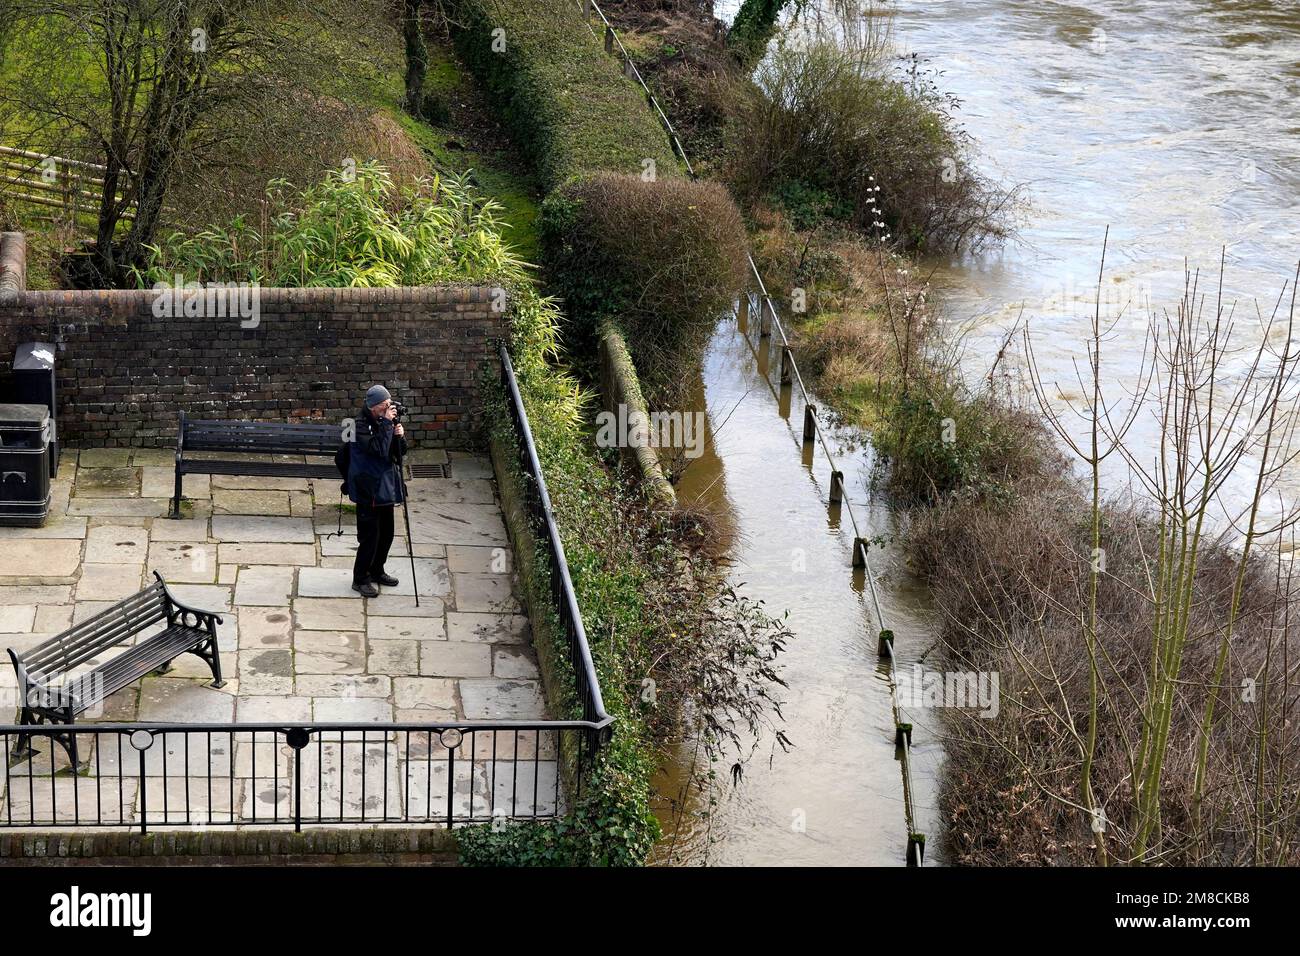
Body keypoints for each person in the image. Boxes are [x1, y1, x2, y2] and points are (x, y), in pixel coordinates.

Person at [347, 384, 407, 597]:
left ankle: (377, 570)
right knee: (369, 537)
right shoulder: (358, 426)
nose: (389, 408)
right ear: (373, 407)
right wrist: (388, 425)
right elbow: (379, 451)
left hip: (385, 488)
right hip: (367, 489)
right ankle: (360, 578)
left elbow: (399, 453)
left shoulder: (385, 422)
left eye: (389, 404)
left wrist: (399, 436)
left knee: (387, 534)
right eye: (385, 405)